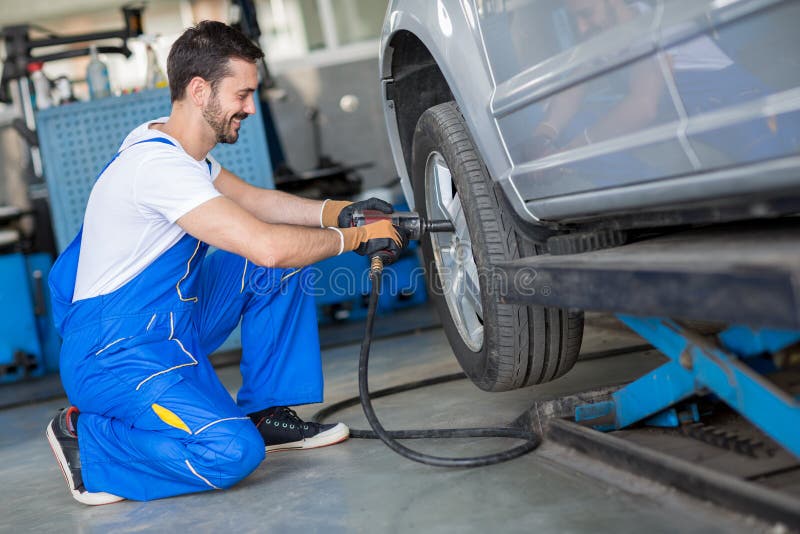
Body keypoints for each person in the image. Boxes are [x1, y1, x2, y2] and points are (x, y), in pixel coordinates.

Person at [45, 21, 407, 505]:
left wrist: (339, 211)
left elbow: (259, 203)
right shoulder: (157, 168)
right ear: (199, 91)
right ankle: (88, 445)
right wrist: (359, 237)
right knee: (231, 452)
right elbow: (267, 245)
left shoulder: (172, 148)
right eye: (242, 94)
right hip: (116, 352)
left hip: (169, 324)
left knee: (277, 266)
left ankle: (264, 413)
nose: (250, 108)